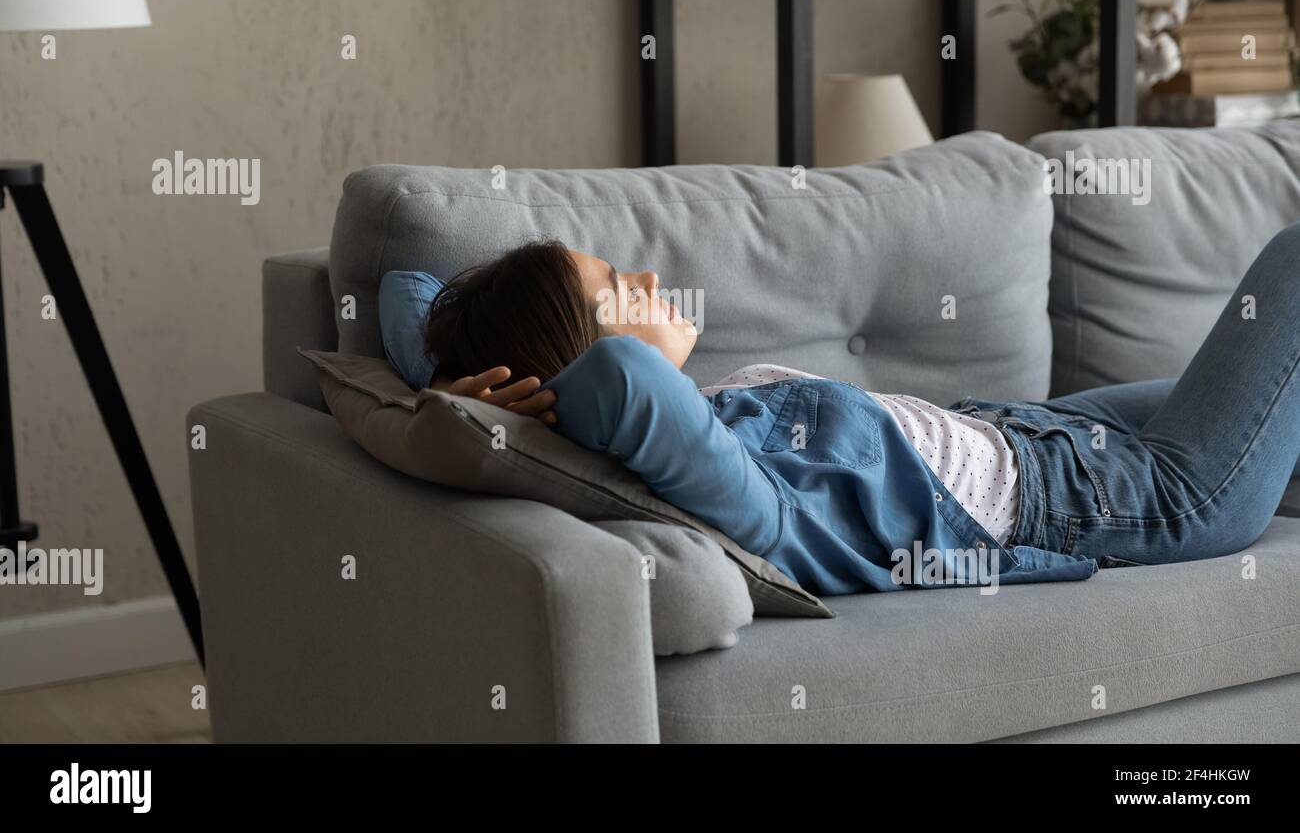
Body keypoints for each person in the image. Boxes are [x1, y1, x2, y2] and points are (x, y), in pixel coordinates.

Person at [377, 225, 1300, 596]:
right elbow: (618, 376)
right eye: (619, 286)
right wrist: (502, 399)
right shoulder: (724, 482)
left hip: (1028, 429)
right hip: (1107, 493)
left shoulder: (698, 421)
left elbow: (400, 290)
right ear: (578, 358)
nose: (652, 281)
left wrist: (444, 383)